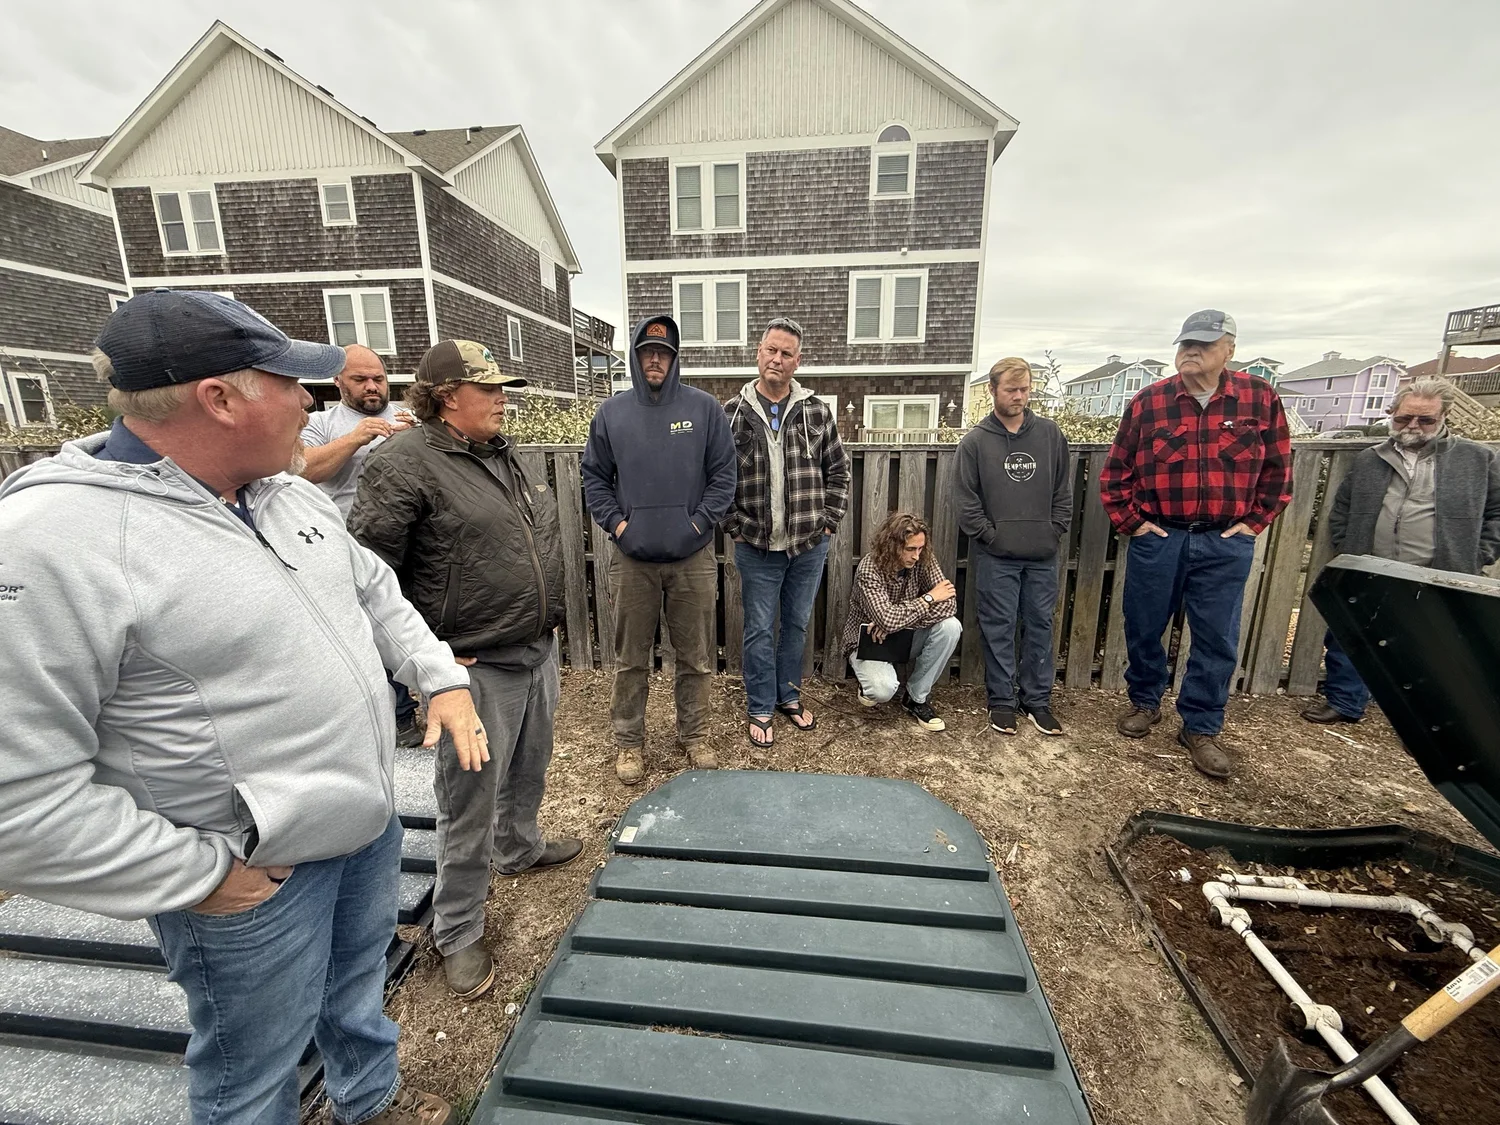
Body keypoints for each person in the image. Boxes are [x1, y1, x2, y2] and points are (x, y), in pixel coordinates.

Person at [0, 291, 482, 1125]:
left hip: (364, 827)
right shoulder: (52, 542)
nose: (310, 400)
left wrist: (437, 673)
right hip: (253, 878)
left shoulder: (279, 493)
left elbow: (374, 589)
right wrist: (197, 874)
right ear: (218, 398)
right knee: (251, 1072)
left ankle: (369, 1103)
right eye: (290, 381)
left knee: (356, 994)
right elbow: (18, 798)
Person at [349, 339, 582, 1000]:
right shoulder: (403, 464)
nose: (504, 397)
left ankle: (520, 847)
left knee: (530, 767)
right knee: (466, 801)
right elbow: (367, 579)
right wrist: (426, 659)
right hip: (473, 667)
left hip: (534, 649)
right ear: (449, 395)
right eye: (492, 387)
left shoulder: (496, 453)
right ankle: (456, 929)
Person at [1100, 309, 1292, 779]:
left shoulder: (1258, 399)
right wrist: (1132, 522)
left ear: (1229, 348)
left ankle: (1201, 726)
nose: (1190, 351)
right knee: (1144, 625)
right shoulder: (1150, 402)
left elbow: (1278, 472)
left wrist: (1255, 522)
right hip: (1161, 536)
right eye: (1185, 343)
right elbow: (1116, 471)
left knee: (1216, 637)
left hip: (1224, 542)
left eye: (1203, 344)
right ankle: (1146, 701)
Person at [581, 315, 737, 784]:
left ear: (674, 359)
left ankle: (695, 734)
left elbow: (724, 477)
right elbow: (594, 478)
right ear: (635, 356)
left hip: (692, 558)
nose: (655, 359)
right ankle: (629, 742)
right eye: (648, 352)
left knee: (695, 656)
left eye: (664, 353)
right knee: (631, 659)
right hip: (632, 561)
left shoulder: (705, 410)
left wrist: (698, 522)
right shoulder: (612, 413)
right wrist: (619, 525)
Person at [1305, 377, 1500, 723]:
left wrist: (1479, 554)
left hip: (1440, 571)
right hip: (1372, 566)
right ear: (1391, 413)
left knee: (1436, 646)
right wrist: (1348, 546)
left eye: (1425, 420)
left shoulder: (1478, 459)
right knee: (1352, 637)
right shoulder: (1370, 459)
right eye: (1404, 418)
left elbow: (1497, 513)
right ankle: (1345, 702)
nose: (1413, 426)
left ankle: (1427, 718)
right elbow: (1342, 508)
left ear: (1444, 417)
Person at [723, 316, 850, 748]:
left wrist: (829, 521)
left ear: (798, 361)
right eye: (770, 350)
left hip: (808, 545)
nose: (776, 359)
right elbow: (717, 480)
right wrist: (734, 527)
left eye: (786, 353)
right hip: (756, 545)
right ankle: (760, 705)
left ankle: (788, 696)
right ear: (758, 352)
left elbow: (838, 472)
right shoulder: (732, 414)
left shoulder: (816, 410)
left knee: (795, 625)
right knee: (759, 628)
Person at [301, 344, 423, 745]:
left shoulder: (410, 420)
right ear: (339, 382)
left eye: (379, 378)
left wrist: (418, 437)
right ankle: (399, 716)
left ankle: (445, 694)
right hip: (351, 546)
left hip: (415, 543)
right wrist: (356, 438)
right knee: (371, 630)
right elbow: (304, 469)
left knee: (412, 622)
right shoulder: (322, 423)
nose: (372, 387)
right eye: (360, 379)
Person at [956, 357, 1072, 737]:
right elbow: (966, 500)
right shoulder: (975, 442)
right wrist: (991, 536)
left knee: (1040, 624)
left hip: (1042, 555)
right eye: (1011, 389)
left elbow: (1063, 492)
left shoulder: (1050, 435)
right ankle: (1002, 701)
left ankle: (1037, 701)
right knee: (998, 627)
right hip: (996, 556)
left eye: (1024, 389)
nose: (1019, 397)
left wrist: (1054, 530)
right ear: (992, 390)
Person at [840, 511, 962, 731]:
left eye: (920, 548)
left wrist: (896, 622)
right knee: (882, 691)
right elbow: (888, 618)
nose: (916, 555)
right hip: (868, 642)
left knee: (951, 626)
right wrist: (928, 598)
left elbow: (949, 604)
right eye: (910, 549)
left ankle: (916, 698)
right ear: (892, 545)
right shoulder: (869, 570)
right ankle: (866, 683)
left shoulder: (922, 559)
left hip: (904, 636)